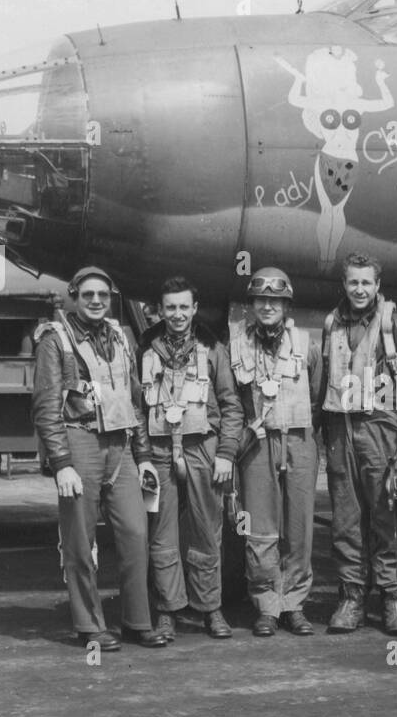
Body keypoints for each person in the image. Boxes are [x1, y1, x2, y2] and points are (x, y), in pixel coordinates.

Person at [32, 266, 166, 650]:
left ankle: (137, 620)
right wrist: (62, 463)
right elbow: (45, 405)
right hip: (80, 443)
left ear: (111, 298)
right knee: (79, 539)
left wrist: (142, 457)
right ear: (74, 295)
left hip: (121, 447)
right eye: (88, 294)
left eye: (102, 295)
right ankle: (90, 625)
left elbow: (134, 400)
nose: (95, 301)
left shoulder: (121, 338)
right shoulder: (54, 339)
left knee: (136, 534)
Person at [319, 253, 397, 635]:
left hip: (381, 427)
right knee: (346, 519)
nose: (359, 289)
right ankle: (352, 597)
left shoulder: (396, 326)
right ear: (344, 285)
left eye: (367, 283)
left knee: (387, 514)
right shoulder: (331, 324)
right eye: (353, 282)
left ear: (378, 286)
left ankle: (394, 597)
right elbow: (323, 382)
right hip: (340, 428)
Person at [140, 276, 244, 639]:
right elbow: (138, 409)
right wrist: (142, 457)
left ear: (195, 309)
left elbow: (232, 406)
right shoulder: (146, 348)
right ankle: (168, 609)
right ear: (160, 309)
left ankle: (209, 608)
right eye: (171, 307)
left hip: (203, 447)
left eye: (185, 307)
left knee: (207, 530)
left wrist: (226, 453)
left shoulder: (212, 348)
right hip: (158, 450)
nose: (178, 314)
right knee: (162, 532)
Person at [227, 268, 323, 637]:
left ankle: (294, 604)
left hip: (299, 439)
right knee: (260, 529)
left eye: (275, 301)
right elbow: (232, 401)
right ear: (251, 305)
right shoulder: (236, 345)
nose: (268, 306)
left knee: (298, 528)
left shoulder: (305, 343)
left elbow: (317, 394)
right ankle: (266, 604)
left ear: (286, 305)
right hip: (259, 444)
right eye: (261, 300)